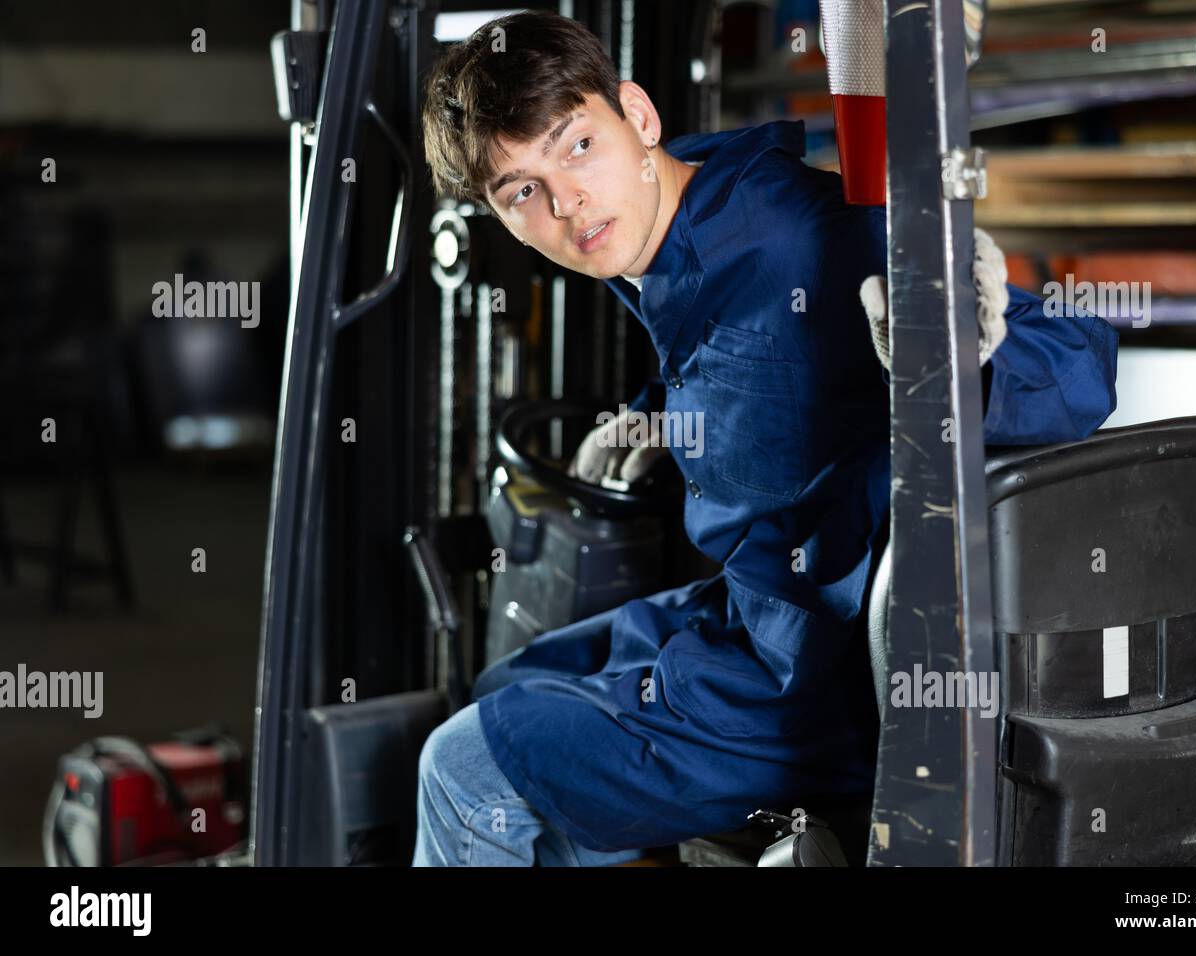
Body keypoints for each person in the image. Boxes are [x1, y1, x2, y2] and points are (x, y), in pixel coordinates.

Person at [412, 9, 1119, 866]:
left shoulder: (804, 239)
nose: (567, 203)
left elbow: (1080, 364)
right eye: (521, 191)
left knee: (460, 770)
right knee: (509, 687)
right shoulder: (677, 227)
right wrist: (662, 415)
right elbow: (744, 356)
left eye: (575, 146)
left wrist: (968, 356)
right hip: (754, 611)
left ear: (636, 114)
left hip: (822, 676)